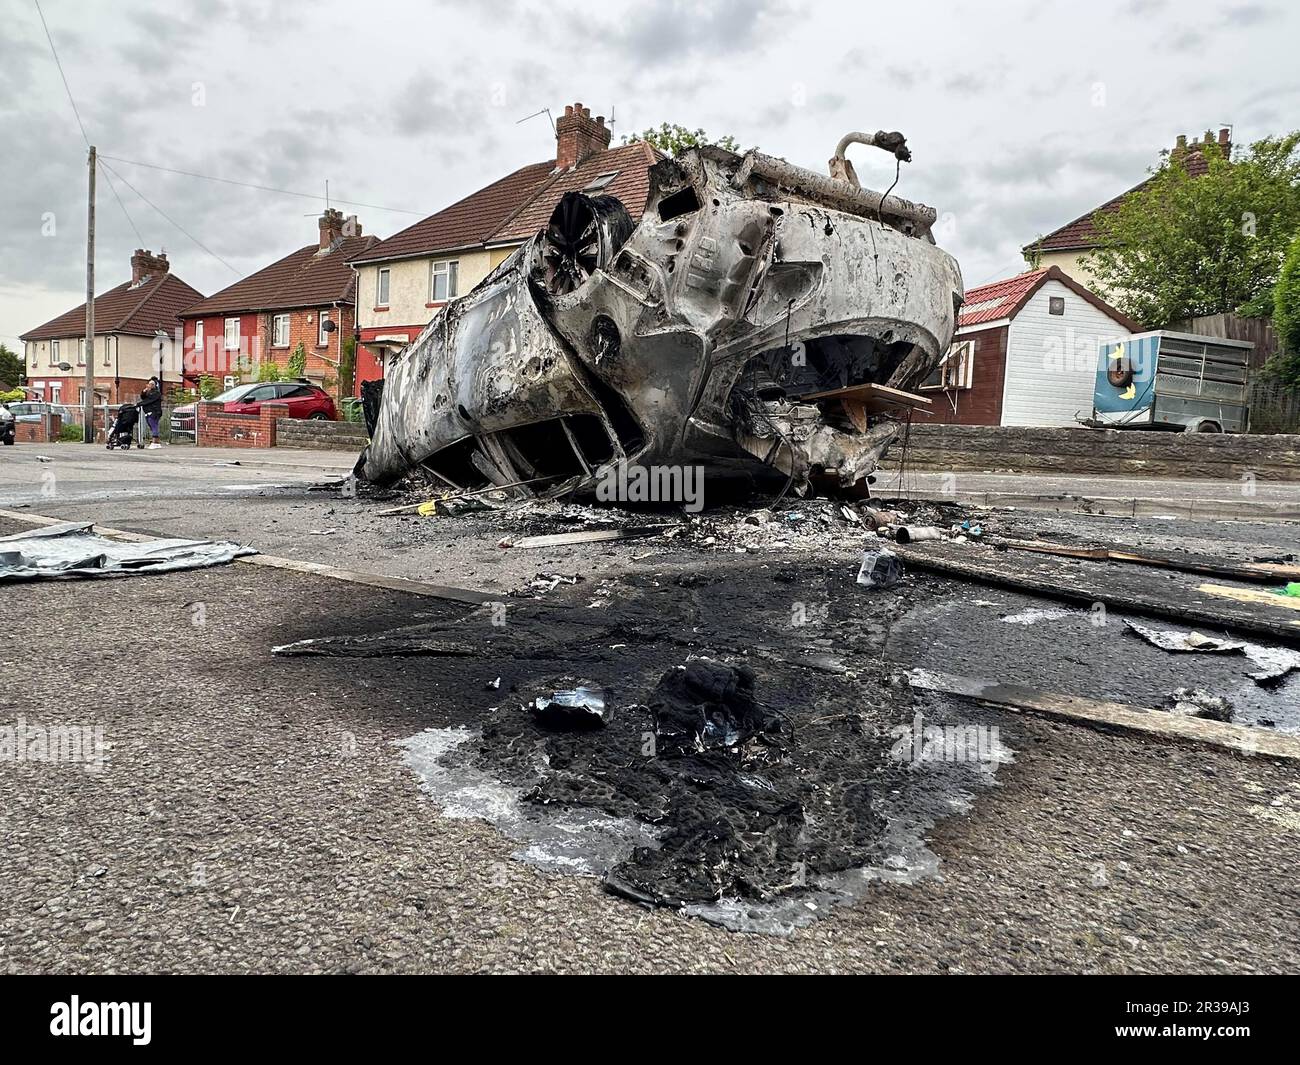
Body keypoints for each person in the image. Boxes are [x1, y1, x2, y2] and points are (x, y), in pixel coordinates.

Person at [139, 377, 163, 449]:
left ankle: (154, 442)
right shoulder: (148, 392)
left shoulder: (156, 393)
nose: (150, 385)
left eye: (151, 384)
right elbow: (143, 397)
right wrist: (144, 391)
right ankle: (157, 442)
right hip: (148, 412)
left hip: (154, 412)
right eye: (149, 384)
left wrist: (139, 404)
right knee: (152, 427)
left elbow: (149, 400)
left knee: (154, 426)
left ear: (155, 385)